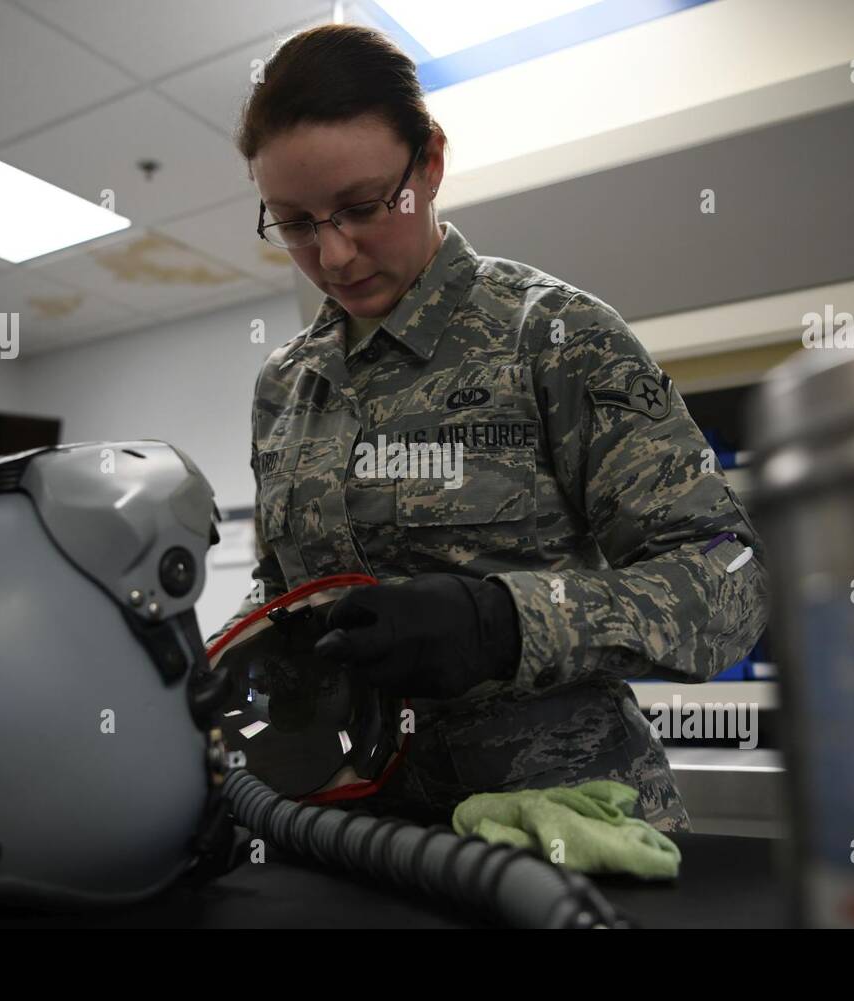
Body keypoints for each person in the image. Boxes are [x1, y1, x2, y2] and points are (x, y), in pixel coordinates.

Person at [206, 24, 769, 831]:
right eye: (294, 222)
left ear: (429, 162)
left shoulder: (557, 335)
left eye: (362, 207)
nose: (332, 254)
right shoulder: (286, 385)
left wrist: (503, 624)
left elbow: (731, 585)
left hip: (561, 823)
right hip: (355, 831)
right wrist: (210, 667)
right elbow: (282, 595)